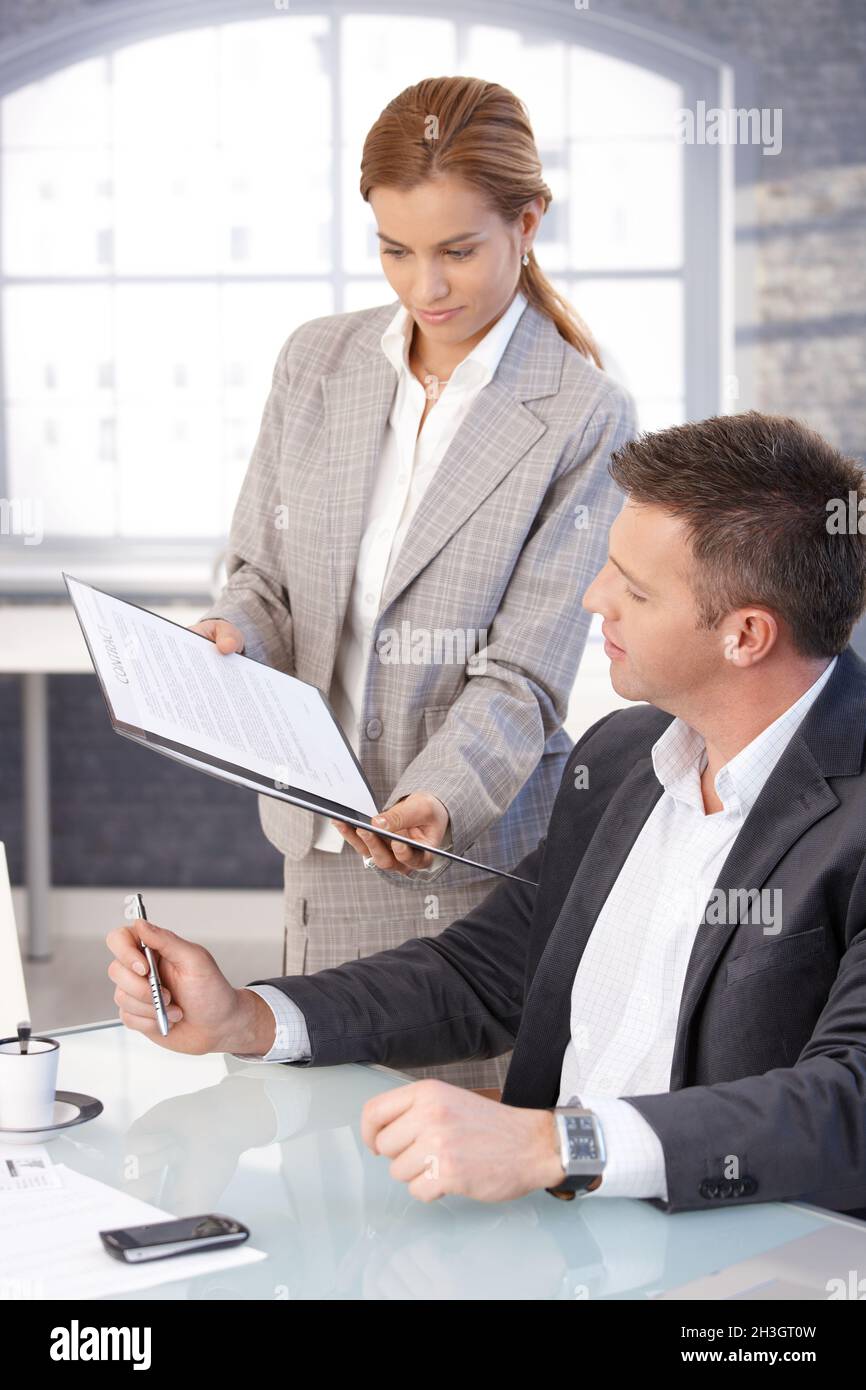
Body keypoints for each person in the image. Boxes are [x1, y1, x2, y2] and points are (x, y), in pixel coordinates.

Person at [108, 410, 866, 1216]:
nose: (593, 598)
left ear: (746, 635)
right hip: (558, 1248)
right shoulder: (617, 761)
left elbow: (845, 1101)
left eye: (634, 589)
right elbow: (484, 972)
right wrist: (250, 1018)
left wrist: (555, 1146)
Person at [188, 75, 635, 1093]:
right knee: (319, 1139)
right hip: (318, 829)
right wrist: (232, 635)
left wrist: (432, 796)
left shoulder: (580, 412)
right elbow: (261, 575)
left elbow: (525, 671)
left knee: (446, 1173)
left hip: (458, 854)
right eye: (394, 250)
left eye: (455, 250)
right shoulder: (316, 363)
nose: (422, 285)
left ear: (527, 223)